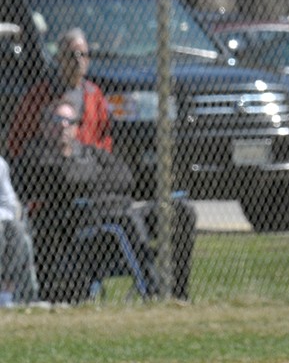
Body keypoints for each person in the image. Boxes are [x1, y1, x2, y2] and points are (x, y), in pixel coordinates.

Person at [14, 101, 195, 302]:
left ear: (76, 127)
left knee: (181, 211)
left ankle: (179, 295)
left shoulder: (89, 152)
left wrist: (88, 182)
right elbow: (65, 180)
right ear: (43, 125)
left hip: (119, 215)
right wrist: (100, 181)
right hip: (82, 230)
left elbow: (125, 177)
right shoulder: (36, 156)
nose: (63, 126)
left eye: (69, 121)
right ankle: (154, 294)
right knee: (125, 221)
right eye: (57, 120)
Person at [7, 27, 113, 158]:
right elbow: (17, 137)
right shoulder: (40, 94)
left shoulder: (94, 94)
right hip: (49, 165)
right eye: (72, 55)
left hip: (87, 167)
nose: (78, 60)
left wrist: (99, 159)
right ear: (59, 58)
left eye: (83, 55)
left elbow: (105, 136)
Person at [0, 155, 39, 306]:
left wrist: (13, 218)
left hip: (4, 218)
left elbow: (10, 201)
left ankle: (16, 295)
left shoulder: (1, 164)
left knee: (19, 233)